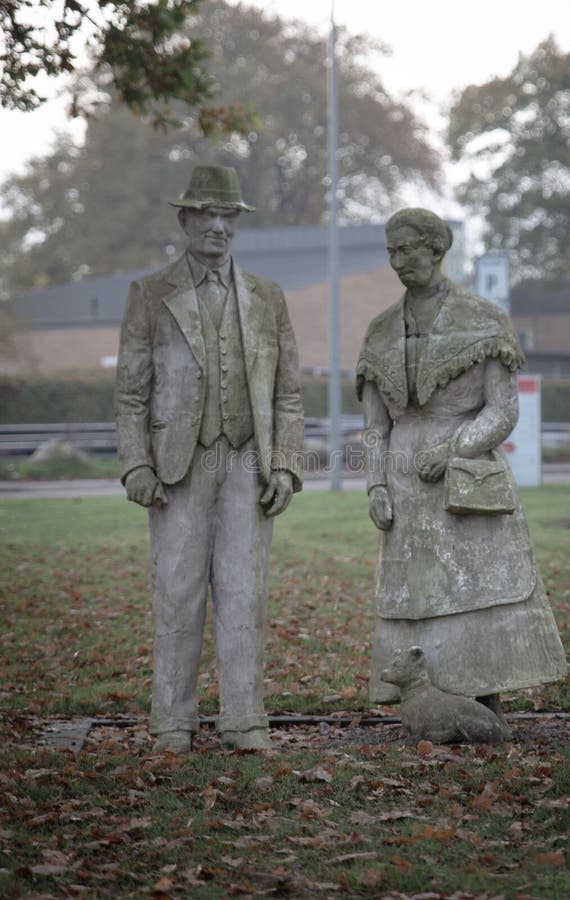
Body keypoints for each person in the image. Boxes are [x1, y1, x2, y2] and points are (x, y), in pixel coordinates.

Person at [357, 208, 566, 736]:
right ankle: (429, 706)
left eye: (407, 248)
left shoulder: (483, 318)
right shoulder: (380, 330)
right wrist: (376, 484)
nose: (397, 261)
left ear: (436, 248)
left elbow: (502, 410)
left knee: (476, 588)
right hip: (405, 480)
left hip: (466, 474)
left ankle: (484, 700)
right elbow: (374, 427)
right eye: (390, 251)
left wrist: (454, 448)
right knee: (419, 593)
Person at [115, 165, 304, 752]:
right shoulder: (149, 294)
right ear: (185, 220)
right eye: (207, 215)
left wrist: (290, 464)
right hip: (177, 466)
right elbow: (130, 391)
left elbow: (289, 393)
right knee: (177, 591)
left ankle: (244, 718)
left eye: (228, 217)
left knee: (245, 592)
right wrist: (136, 464)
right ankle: (172, 719)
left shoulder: (267, 297)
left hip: (249, 465)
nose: (218, 227)